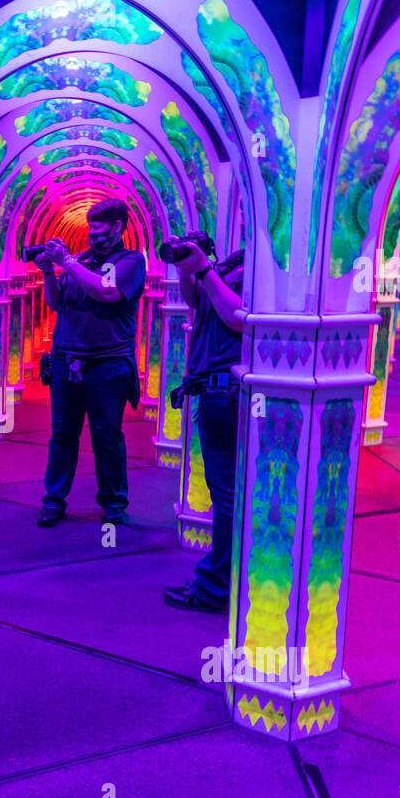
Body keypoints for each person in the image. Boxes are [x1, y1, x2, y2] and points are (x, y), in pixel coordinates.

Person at [34, 198, 145, 527]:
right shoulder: (80, 261)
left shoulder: (131, 262)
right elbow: (55, 303)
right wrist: (48, 271)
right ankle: (54, 499)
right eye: (91, 231)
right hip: (66, 362)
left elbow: (106, 292)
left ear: (118, 228)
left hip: (108, 365)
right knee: (62, 435)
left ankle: (113, 503)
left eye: (101, 232)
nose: (94, 237)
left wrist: (66, 261)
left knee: (106, 435)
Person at [163, 238, 247, 614]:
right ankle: (224, 580)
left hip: (226, 391)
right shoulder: (238, 262)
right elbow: (199, 303)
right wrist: (187, 268)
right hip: (214, 390)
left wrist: (206, 270)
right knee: (225, 493)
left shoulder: (261, 269)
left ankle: (216, 585)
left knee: (228, 496)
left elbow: (237, 317)